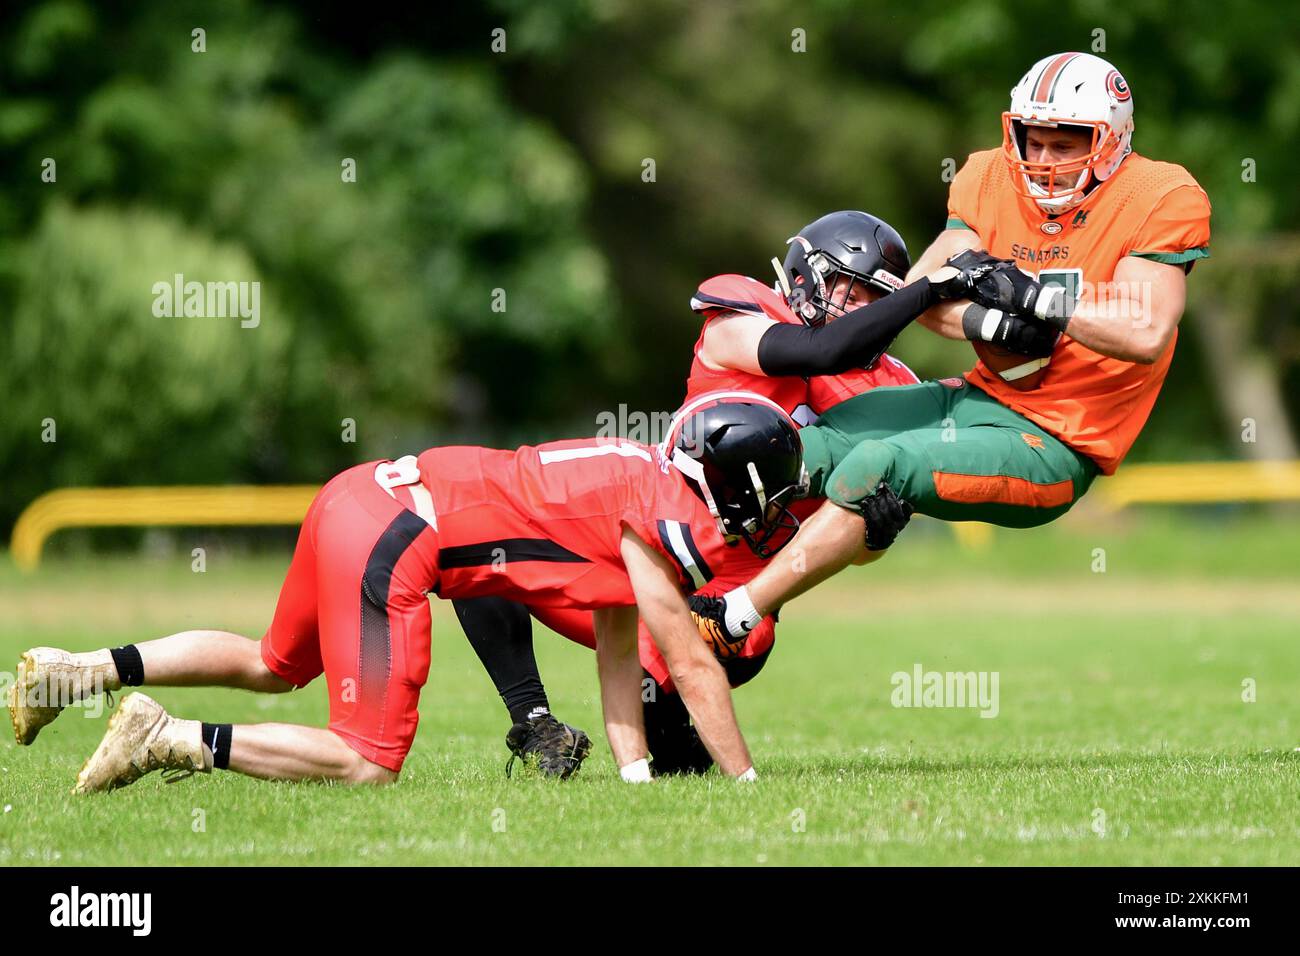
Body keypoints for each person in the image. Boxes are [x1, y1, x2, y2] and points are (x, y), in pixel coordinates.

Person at [454, 210, 1014, 775]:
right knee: (481, 539)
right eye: (851, 288)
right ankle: (535, 720)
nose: (861, 308)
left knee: (675, 750)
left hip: (732, 593)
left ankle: (672, 730)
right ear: (806, 274)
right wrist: (929, 290)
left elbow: (850, 539)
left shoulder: (892, 385)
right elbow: (822, 352)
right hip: (649, 544)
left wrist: (877, 533)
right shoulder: (743, 313)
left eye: (876, 297)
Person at [7, 396, 805, 791]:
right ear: (741, 482)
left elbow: (618, 649)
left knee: (272, 663)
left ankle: (74, 672)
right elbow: (693, 668)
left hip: (361, 493)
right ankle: (168, 738)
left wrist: (635, 781)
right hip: (399, 537)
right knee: (367, 763)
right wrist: (745, 786)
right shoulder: (661, 516)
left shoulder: (636, 472)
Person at [687, 53, 1212, 642]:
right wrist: (992, 324)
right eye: (1032, 142)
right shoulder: (990, 176)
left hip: (1057, 441)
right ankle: (672, 558)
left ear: (1111, 141)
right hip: (977, 397)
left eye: (1064, 147)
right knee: (782, 446)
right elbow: (922, 292)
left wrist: (1036, 300)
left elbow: (1145, 333)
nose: (1041, 163)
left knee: (876, 467)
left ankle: (734, 615)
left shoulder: (1160, 194)